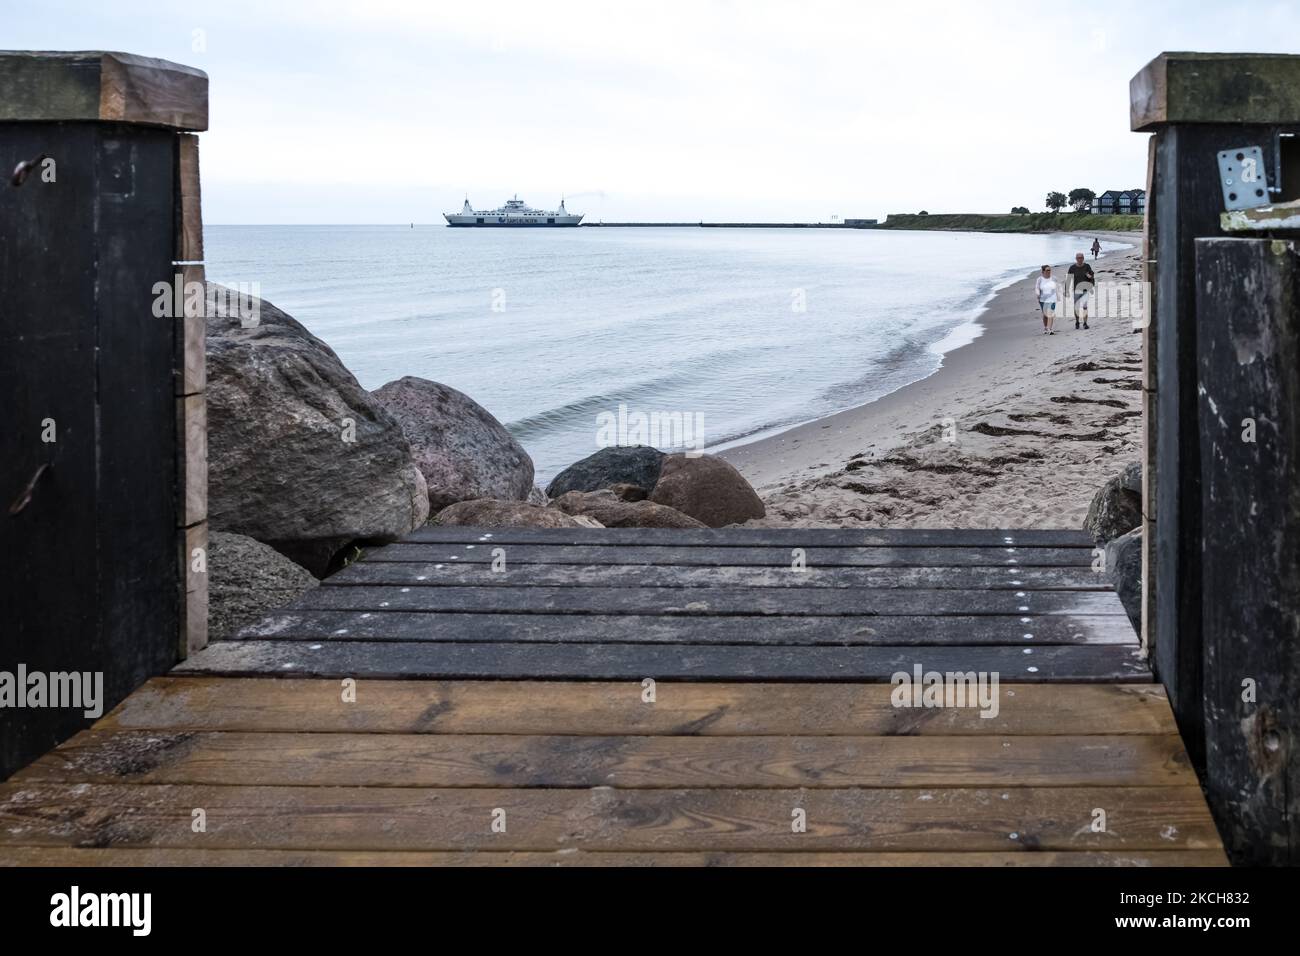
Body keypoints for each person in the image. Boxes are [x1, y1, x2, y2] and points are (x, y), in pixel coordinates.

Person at [1067, 252, 1096, 330]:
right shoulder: (1072, 268)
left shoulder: (1087, 266)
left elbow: (1092, 276)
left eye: (1081, 258)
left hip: (1085, 291)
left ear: (1083, 258)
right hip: (1076, 290)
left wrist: (1090, 278)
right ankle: (1077, 322)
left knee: (1085, 307)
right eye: (1078, 258)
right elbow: (1069, 279)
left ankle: (1085, 323)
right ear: (1076, 259)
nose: (1080, 259)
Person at [1034, 264, 1058, 334]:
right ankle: (1045, 327)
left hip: (1052, 298)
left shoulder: (1054, 278)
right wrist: (1038, 294)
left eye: (1050, 270)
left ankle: (1050, 329)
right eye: (1047, 270)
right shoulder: (1039, 279)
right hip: (1043, 299)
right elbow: (1037, 288)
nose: (1049, 271)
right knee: (1045, 314)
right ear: (1043, 271)